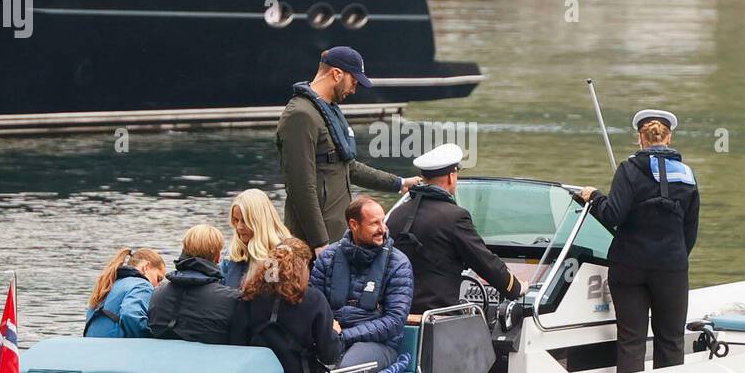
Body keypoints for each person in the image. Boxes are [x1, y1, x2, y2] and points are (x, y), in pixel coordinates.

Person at [580, 110, 700, 373]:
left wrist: (595, 196)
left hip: (629, 266)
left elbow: (612, 215)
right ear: (669, 138)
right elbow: (690, 230)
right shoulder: (688, 175)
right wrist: (676, 257)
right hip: (671, 268)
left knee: (631, 341)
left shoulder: (628, 169)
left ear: (640, 139)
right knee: (670, 339)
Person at [276, 46, 419, 252]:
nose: (354, 89)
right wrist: (320, 244)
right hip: (314, 246)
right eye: (354, 81)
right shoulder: (301, 116)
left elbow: (347, 167)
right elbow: (301, 187)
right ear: (336, 74)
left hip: (337, 238)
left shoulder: (327, 111)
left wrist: (400, 183)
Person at [386, 142, 522, 314]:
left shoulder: (397, 214)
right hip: (438, 318)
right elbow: (484, 261)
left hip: (396, 314)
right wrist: (515, 287)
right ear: (451, 177)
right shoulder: (455, 217)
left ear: (423, 178)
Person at [311, 196, 414, 373]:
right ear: (354, 224)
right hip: (330, 338)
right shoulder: (326, 258)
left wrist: (344, 336)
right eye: (374, 223)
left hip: (380, 344)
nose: (382, 229)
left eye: (383, 221)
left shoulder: (398, 263)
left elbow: (395, 321)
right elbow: (314, 307)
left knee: (346, 372)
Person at [237, 238, 340, 373]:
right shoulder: (314, 299)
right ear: (303, 264)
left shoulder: (249, 294)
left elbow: (237, 342)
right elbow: (330, 356)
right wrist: (335, 332)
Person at [147, 225, 247, 345]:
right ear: (218, 257)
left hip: (163, 360)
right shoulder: (232, 299)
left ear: (184, 250)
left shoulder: (157, 293)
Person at [84, 247, 166, 338]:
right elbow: (131, 315)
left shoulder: (108, 284)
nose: (158, 285)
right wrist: (151, 338)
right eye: (158, 278)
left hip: (92, 344)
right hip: (116, 347)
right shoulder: (143, 285)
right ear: (146, 267)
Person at [221, 188, 291, 288]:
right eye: (236, 220)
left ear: (259, 222)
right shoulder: (231, 254)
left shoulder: (280, 256)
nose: (239, 227)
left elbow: (272, 297)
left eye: (245, 221)